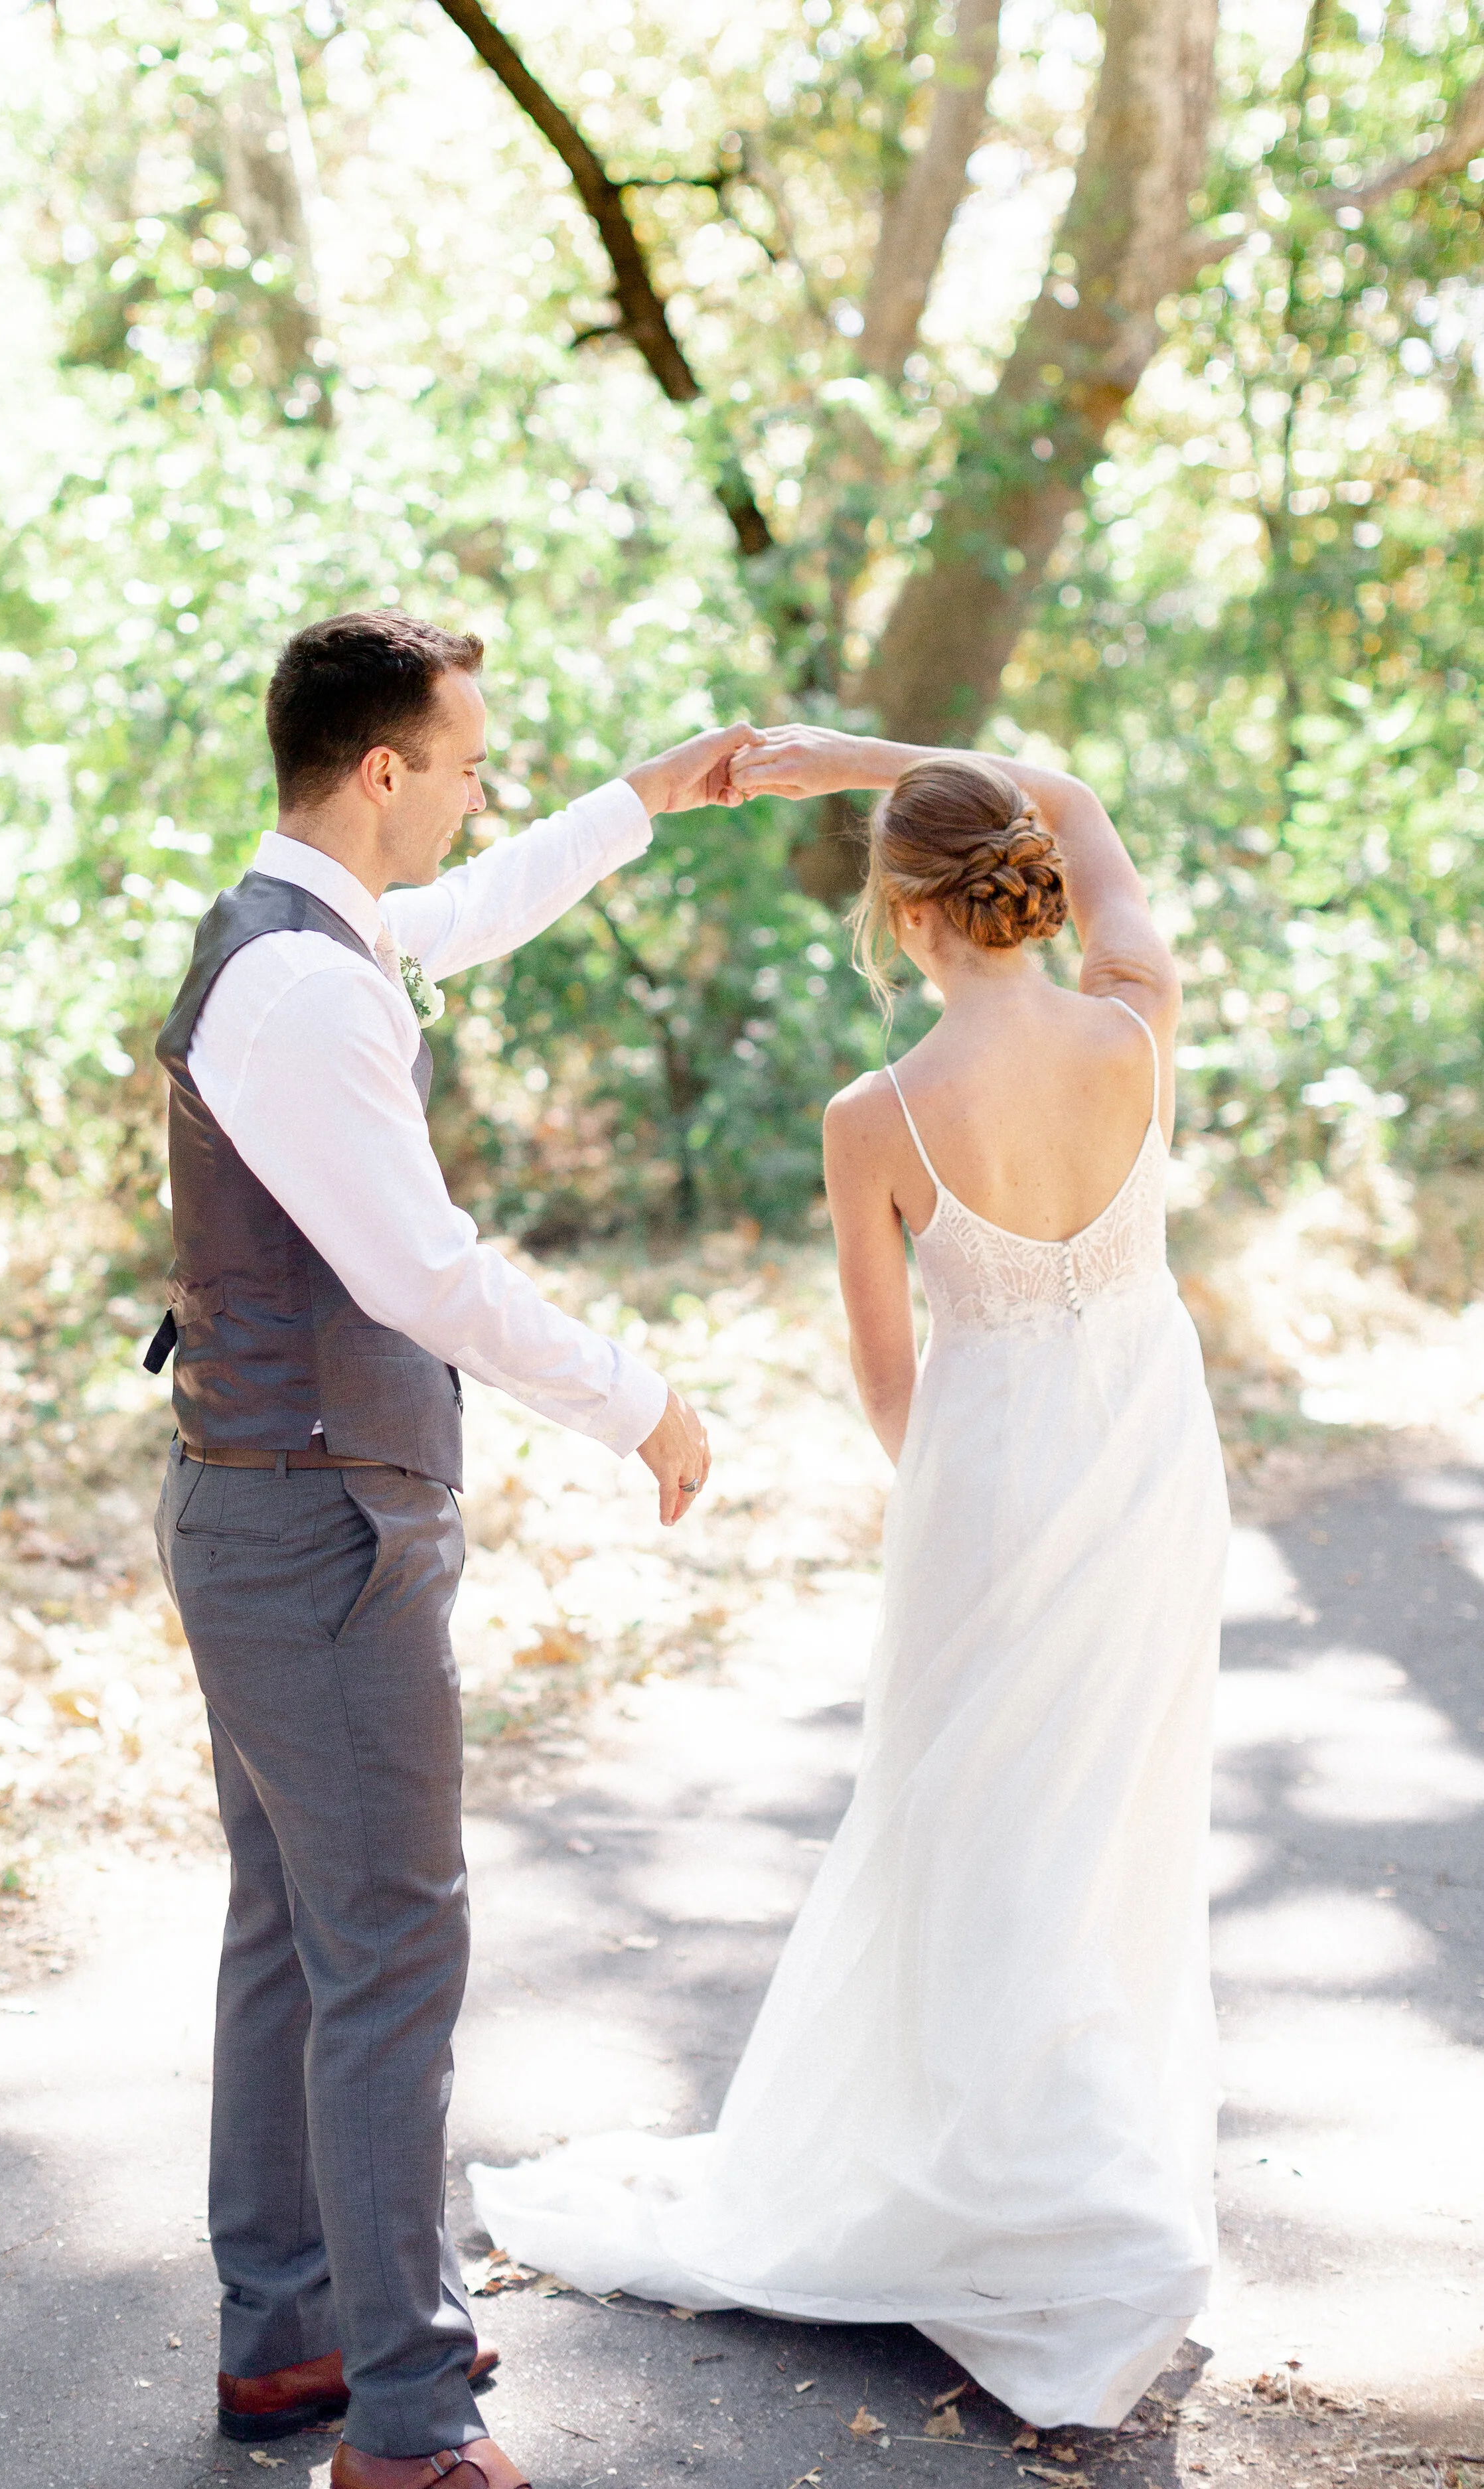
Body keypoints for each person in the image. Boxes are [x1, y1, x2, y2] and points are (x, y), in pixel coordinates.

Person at [469, 727, 1229, 2433]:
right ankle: (1087, 2188)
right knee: (1112, 1814)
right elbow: (1086, 794)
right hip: (1152, 1467)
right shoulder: (1134, 1021)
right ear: (1013, 878)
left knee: (964, 1819)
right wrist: (854, 758)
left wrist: (964, 1506)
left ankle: (977, 2180)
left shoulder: (873, 1115)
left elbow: (889, 1378)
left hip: (988, 1480)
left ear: (899, 919)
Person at [151, 607, 747, 2489]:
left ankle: (291, 2342)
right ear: (380, 767)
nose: (480, 781)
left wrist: (649, 796)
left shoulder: (301, 930)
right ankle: (404, 2418)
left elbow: (476, 901)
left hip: (273, 1505)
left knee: (295, 1936)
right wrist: (642, 1396)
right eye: (466, 754)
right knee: (392, 1946)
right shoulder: (308, 984)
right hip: (320, 1522)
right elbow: (422, 1272)